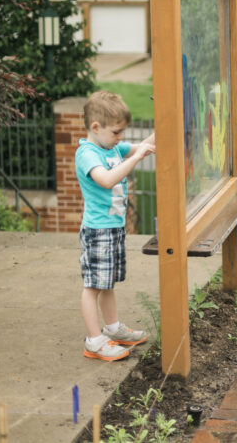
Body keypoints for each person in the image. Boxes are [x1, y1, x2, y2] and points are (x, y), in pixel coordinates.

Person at [75, 91, 156, 361]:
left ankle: (112, 329)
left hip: (114, 229)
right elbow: (107, 180)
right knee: (93, 286)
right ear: (95, 127)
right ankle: (94, 341)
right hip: (98, 232)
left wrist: (166, 117)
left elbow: (144, 145)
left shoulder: (111, 147)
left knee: (106, 283)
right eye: (116, 132)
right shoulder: (87, 153)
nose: (120, 138)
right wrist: (135, 158)